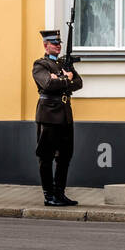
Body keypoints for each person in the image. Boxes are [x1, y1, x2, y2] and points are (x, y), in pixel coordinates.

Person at [33, 29, 82, 207]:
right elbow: (47, 83)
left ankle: (60, 193)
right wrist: (66, 79)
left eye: (59, 43)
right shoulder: (40, 65)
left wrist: (61, 79)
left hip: (65, 116)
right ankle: (49, 195)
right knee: (46, 157)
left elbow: (79, 83)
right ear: (46, 45)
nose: (58, 46)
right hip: (48, 115)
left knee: (65, 156)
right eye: (54, 43)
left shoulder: (63, 63)